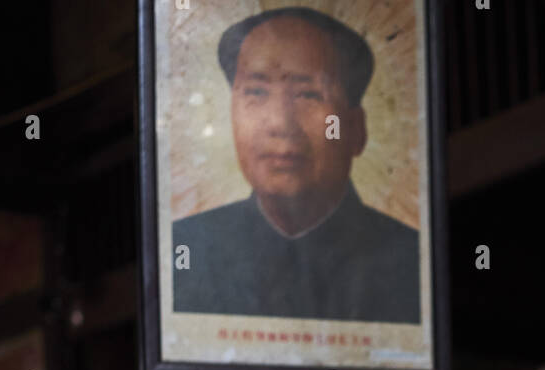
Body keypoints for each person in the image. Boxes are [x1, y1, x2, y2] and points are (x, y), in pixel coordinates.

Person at [172, 7, 420, 323]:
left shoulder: (412, 260)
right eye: (257, 92)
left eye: (308, 94)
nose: (280, 123)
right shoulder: (186, 250)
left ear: (356, 130)